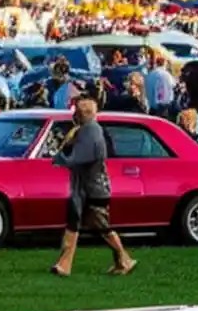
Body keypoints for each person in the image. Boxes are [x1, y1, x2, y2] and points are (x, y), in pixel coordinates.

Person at [50, 95, 136, 277]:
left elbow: (79, 158)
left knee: (101, 227)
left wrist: (60, 159)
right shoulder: (85, 130)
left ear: (83, 114)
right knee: (74, 224)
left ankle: (124, 259)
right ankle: (64, 265)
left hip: (93, 189)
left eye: (77, 112)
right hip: (83, 189)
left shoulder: (91, 132)